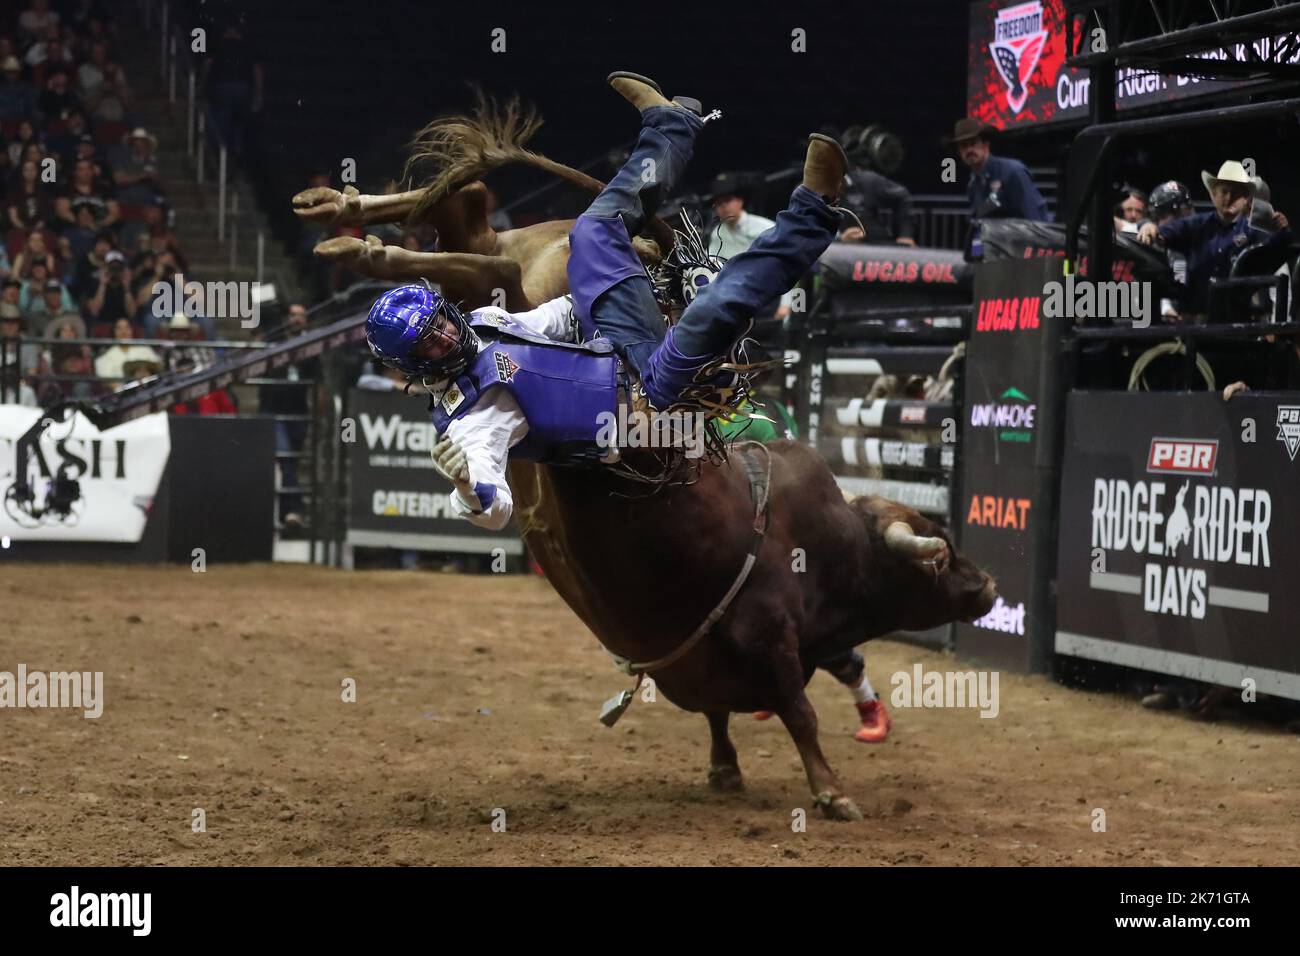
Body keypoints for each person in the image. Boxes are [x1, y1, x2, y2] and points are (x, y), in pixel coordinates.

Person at [364, 71, 848, 533]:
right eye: (431, 343)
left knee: (593, 233)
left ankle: (670, 128)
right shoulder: (471, 417)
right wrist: (467, 485)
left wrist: (633, 287)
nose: (447, 334)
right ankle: (813, 213)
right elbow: (496, 510)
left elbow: (557, 316)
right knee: (711, 310)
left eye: (441, 322)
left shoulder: (485, 322)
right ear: (414, 365)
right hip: (649, 406)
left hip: (615, 344)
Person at [1137, 160, 1290, 317]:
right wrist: (1147, 225)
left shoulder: (1253, 232)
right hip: (1196, 319)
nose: (1228, 198)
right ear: (1214, 193)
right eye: (1224, 191)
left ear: (1245, 198)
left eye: (1235, 193)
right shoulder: (1197, 225)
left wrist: (1282, 232)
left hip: (1237, 320)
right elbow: (1163, 233)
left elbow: (1276, 253)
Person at [258, 303, 319, 530]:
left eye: (301, 316)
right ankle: (293, 510)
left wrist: (318, 413)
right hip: (273, 411)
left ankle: (287, 510)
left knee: (291, 461)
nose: (296, 319)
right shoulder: (274, 341)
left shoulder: (312, 346)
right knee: (284, 458)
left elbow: (317, 382)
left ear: (307, 320)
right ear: (285, 319)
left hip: (298, 412)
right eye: (292, 315)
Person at [948, 117, 1050, 221]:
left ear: (985, 145)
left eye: (973, 143)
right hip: (996, 235)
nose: (969, 150)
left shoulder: (1012, 172)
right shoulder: (973, 184)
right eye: (964, 146)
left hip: (1025, 234)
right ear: (959, 152)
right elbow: (980, 221)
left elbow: (1033, 216)